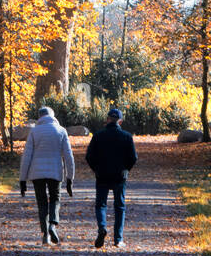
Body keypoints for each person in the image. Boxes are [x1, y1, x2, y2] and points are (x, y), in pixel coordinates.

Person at [18, 105, 75, 244]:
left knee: (41, 202)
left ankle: (45, 234)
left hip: (36, 173)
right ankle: (52, 224)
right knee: (55, 198)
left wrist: (22, 180)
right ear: (53, 116)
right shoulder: (61, 131)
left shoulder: (34, 132)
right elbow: (68, 156)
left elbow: (27, 156)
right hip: (55, 171)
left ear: (40, 117)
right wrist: (70, 178)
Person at [85, 107, 137, 248]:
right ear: (120, 121)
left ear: (108, 119)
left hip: (102, 175)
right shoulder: (127, 136)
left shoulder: (98, 135)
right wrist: (126, 168)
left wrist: (96, 169)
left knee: (101, 204)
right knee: (119, 206)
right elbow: (133, 157)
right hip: (119, 176)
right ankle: (118, 239)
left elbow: (89, 156)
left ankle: (102, 227)